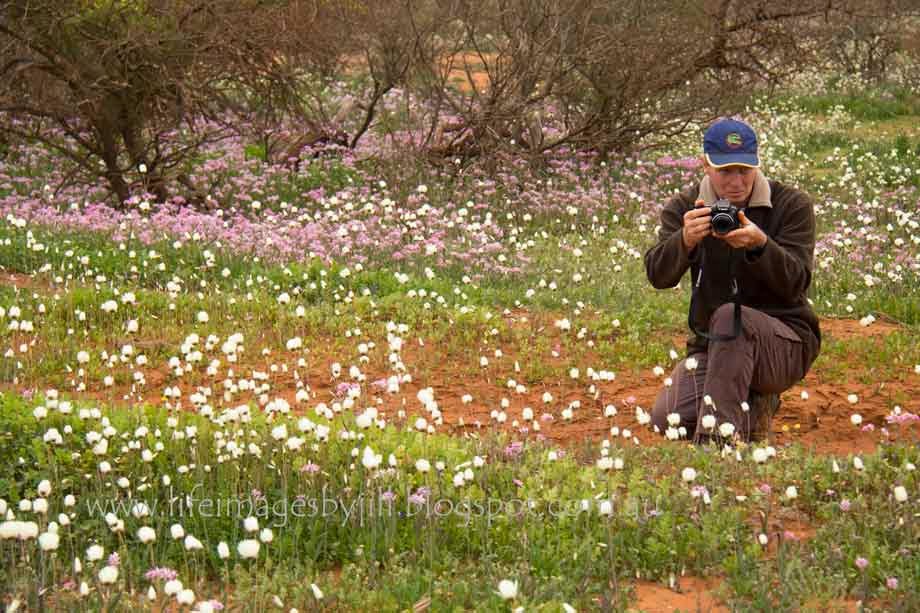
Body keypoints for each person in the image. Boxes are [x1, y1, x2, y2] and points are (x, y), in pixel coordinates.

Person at [644, 117, 821, 443]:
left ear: (757, 164)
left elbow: (797, 284)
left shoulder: (791, 205)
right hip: (715, 348)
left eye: (744, 170)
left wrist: (762, 247)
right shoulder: (686, 208)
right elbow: (658, 276)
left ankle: (717, 446)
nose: (736, 181)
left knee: (730, 316)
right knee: (666, 420)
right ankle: (755, 406)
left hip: (783, 343)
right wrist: (684, 241)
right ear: (705, 165)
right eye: (725, 171)